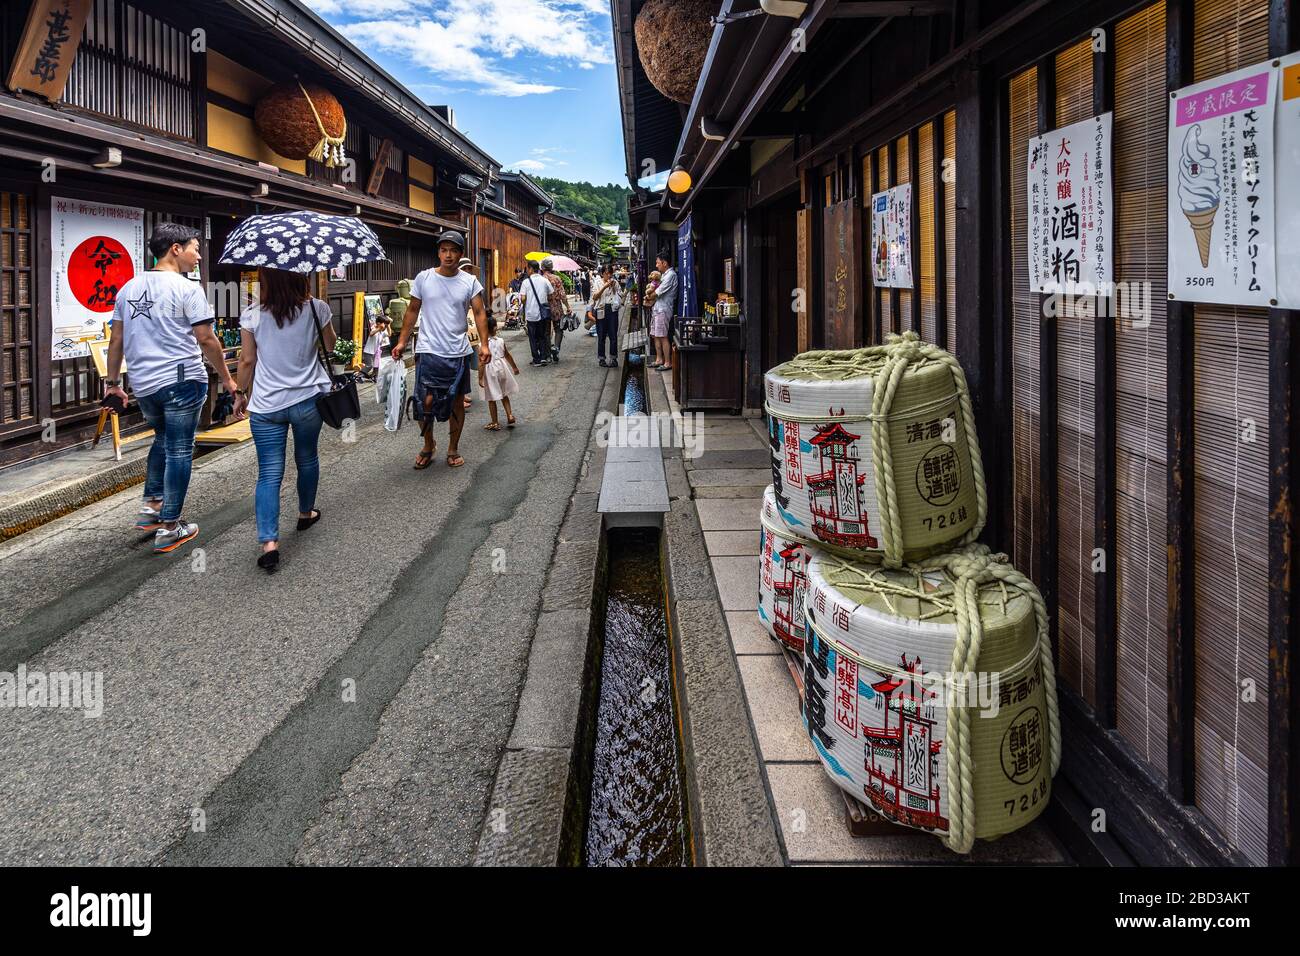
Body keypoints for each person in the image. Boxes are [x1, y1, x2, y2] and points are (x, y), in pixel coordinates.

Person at [104, 222, 237, 555]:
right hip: (181, 380)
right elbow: (206, 338)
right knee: (180, 449)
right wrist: (228, 378)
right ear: (175, 249)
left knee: (162, 439)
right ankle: (170, 525)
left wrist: (113, 384)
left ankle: (152, 506)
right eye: (195, 249)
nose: (199, 257)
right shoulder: (186, 289)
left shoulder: (128, 289)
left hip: (144, 384)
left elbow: (116, 340)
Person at [232, 267, 333, 574]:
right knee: (307, 458)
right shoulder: (317, 308)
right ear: (298, 278)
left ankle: (269, 544)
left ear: (266, 281)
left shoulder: (252, 314)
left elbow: (247, 360)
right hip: (306, 399)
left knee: (269, 473)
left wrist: (240, 392)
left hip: (266, 405)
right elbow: (329, 347)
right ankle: (305, 513)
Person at [392, 230, 490, 470]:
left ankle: (453, 447)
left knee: (457, 402)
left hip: (457, 351)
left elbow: (479, 312)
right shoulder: (424, 278)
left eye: (453, 250)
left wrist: (484, 345)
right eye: (444, 250)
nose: (448, 255)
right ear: (438, 252)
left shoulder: (469, 282)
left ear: (460, 254)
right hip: (428, 350)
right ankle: (428, 445)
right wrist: (402, 342)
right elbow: (413, 310)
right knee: (424, 401)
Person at [478, 316, 520, 431]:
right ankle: (509, 415)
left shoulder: (482, 345)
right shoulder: (501, 341)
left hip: (490, 370)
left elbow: (481, 363)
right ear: (495, 328)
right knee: (504, 393)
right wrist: (514, 367)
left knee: (491, 398)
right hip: (502, 368)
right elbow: (507, 355)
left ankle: (494, 422)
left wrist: (480, 378)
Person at [519, 261, 552, 367]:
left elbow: (523, 298)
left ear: (531, 269)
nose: (527, 271)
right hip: (543, 314)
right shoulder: (544, 280)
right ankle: (543, 357)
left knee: (533, 337)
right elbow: (550, 293)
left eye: (527, 269)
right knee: (542, 336)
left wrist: (526, 303)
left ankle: (536, 359)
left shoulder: (526, 282)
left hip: (531, 313)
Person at [459, 257, 480, 410]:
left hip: (470, 330)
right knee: (459, 364)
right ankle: (458, 395)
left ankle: (463, 393)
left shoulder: (472, 283)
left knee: (466, 364)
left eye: (468, 269)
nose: (467, 271)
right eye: (464, 268)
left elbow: (479, 308)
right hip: (456, 331)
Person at [591, 265, 622, 368]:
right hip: (601, 309)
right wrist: (604, 287)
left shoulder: (615, 282)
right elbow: (595, 297)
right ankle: (601, 358)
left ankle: (613, 358)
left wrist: (613, 287)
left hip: (612, 310)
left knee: (613, 335)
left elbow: (620, 295)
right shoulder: (597, 283)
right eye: (606, 273)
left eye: (610, 273)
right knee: (601, 336)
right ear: (602, 273)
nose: (608, 276)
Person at [650, 253, 677, 370]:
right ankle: (659, 359)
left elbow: (656, 292)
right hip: (658, 308)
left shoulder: (670, 275)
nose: (656, 265)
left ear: (664, 263)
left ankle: (667, 362)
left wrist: (649, 296)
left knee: (663, 335)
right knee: (656, 335)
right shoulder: (664, 275)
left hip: (663, 309)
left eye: (658, 262)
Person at [540, 257, 569, 363]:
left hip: (544, 308)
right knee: (558, 329)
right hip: (557, 307)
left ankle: (548, 354)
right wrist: (568, 306)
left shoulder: (540, 279)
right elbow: (562, 294)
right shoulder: (557, 278)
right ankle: (556, 348)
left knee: (546, 332)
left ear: (542, 268)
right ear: (551, 267)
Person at [361, 315, 390, 381]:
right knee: (369, 365)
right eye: (384, 324)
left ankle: (374, 376)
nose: (384, 326)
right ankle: (359, 374)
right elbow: (371, 334)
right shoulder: (375, 329)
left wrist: (388, 326)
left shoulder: (382, 332)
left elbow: (389, 334)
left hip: (375, 352)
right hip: (368, 352)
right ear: (379, 323)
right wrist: (379, 328)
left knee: (377, 365)